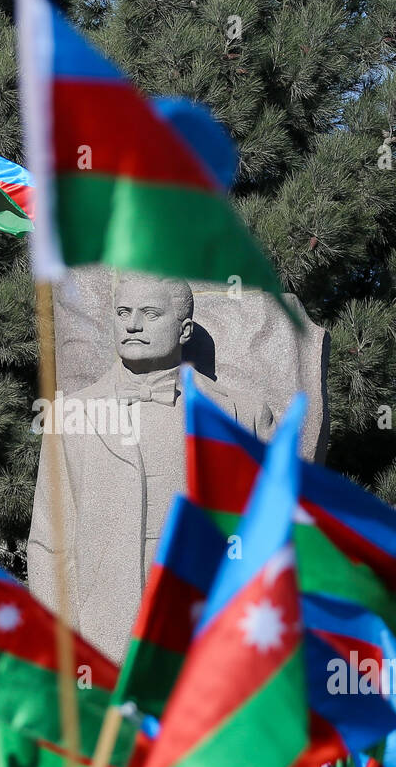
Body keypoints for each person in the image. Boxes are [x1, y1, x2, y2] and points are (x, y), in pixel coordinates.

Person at [28, 273, 273, 662]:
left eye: (150, 313)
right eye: (123, 312)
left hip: (209, 640)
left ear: (184, 329)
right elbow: (48, 545)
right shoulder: (70, 416)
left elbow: (269, 541)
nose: (133, 324)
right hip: (100, 639)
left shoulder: (242, 415)